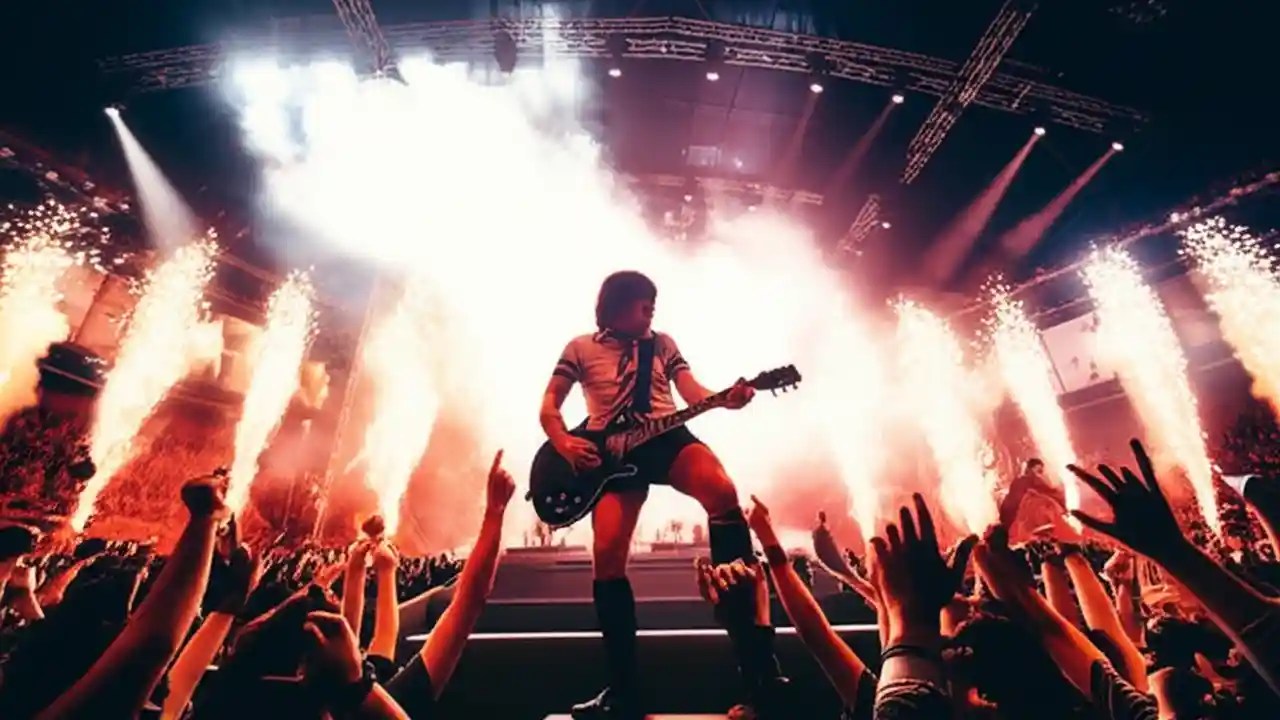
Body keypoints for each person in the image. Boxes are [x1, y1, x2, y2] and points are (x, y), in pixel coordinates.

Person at [539, 271, 776, 719]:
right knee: (606, 555)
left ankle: (758, 669)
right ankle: (622, 689)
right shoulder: (579, 348)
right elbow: (549, 407)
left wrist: (725, 398)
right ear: (614, 306)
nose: (651, 308)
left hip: (665, 437)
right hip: (609, 456)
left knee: (723, 492)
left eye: (653, 301)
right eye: (643, 302)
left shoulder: (662, 343)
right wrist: (564, 443)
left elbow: (692, 392)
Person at [998, 458, 1068, 543]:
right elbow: (1046, 491)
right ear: (1030, 468)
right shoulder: (1026, 481)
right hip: (1021, 518)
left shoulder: (1025, 481)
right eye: (1038, 470)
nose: (1040, 472)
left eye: (1041, 470)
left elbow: (1046, 490)